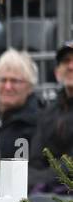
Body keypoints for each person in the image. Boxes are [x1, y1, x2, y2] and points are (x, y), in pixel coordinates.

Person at [31, 41, 73, 193]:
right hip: (47, 191)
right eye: (66, 61)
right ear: (57, 72)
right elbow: (35, 158)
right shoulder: (48, 112)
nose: (71, 66)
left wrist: (40, 179)